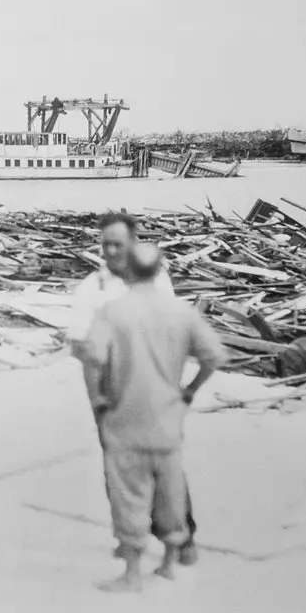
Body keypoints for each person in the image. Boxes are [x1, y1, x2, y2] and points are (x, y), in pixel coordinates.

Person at [84, 243, 226, 593]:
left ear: (127, 271)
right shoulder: (181, 312)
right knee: (170, 492)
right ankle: (168, 563)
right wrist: (190, 389)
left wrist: (100, 400)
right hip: (167, 418)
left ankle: (132, 573)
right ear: (159, 270)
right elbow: (215, 357)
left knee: (130, 495)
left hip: (126, 418)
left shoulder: (112, 312)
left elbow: (93, 359)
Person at [68, 212, 201, 565]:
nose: (112, 250)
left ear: (133, 243)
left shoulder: (157, 279)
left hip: (155, 385)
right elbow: (82, 348)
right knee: (115, 467)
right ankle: (131, 540)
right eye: (106, 244)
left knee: (165, 467)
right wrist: (96, 398)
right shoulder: (91, 288)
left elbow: (173, 332)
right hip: (112, 388)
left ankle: (184, 539)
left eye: (119, 243)